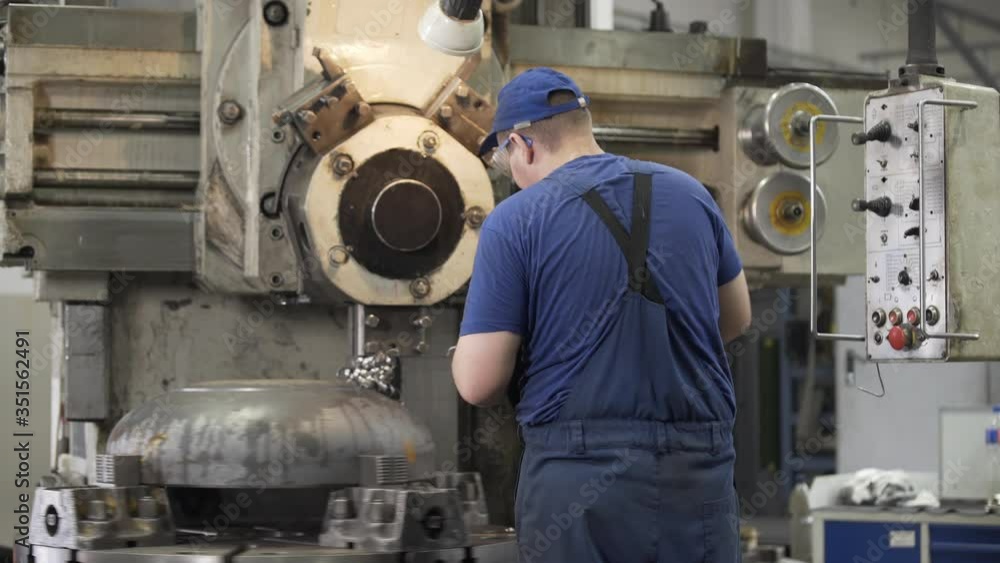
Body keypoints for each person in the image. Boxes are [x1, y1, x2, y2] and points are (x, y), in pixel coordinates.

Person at [451, 67, 752, 563]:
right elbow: (735, 319)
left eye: (505, 163)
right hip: (697, 471)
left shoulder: (516, 220)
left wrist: (462, 357)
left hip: (579, 481)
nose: (514, 176)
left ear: (523, 145)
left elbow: (479, 383)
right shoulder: (693, 195)